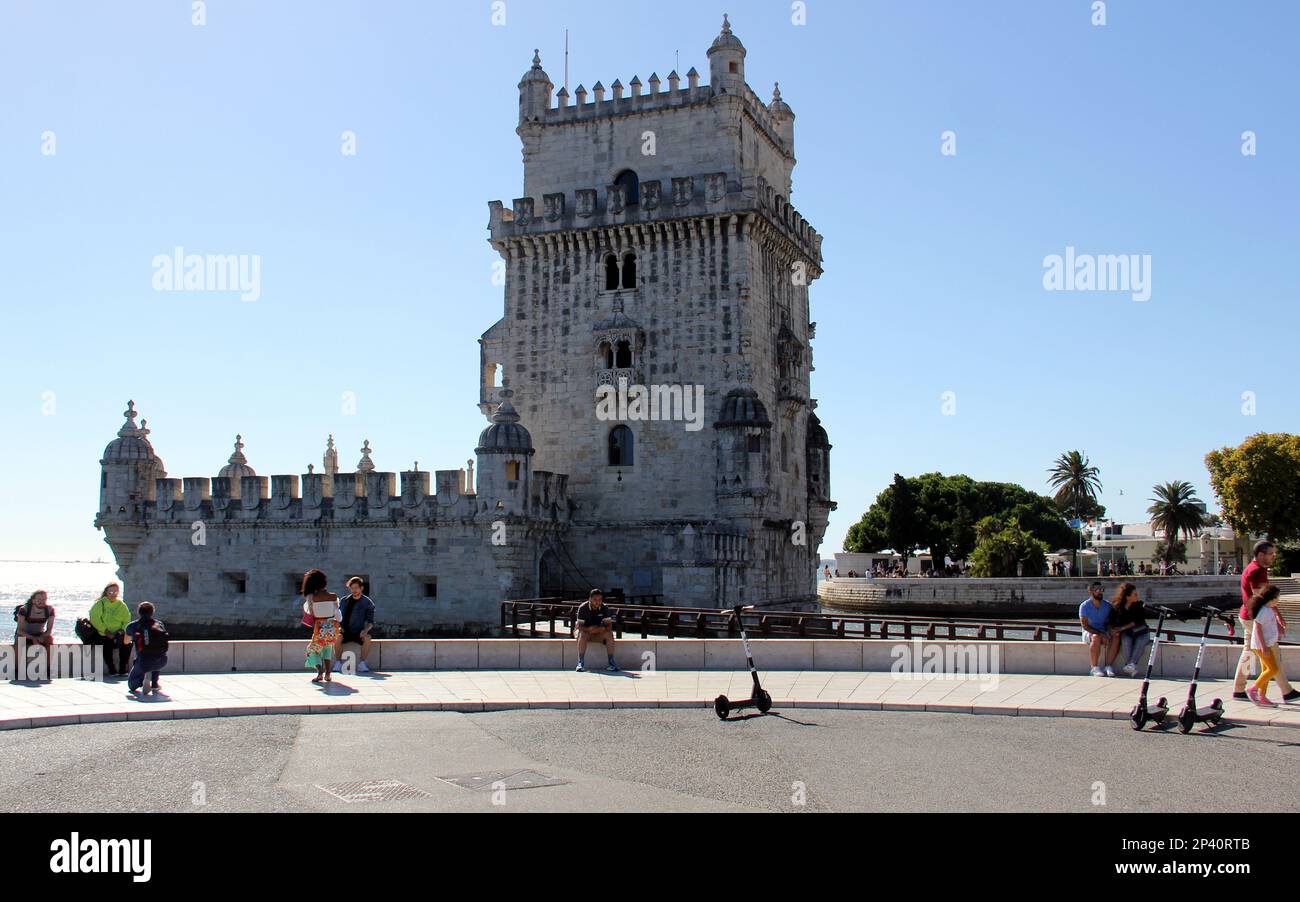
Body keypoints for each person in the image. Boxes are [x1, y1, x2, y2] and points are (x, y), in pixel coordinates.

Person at [1233, 541, 1296, 701]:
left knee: (1248, 653)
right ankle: (1285, 691)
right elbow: (1262, 598)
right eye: (1270, 553)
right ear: (1261, 555)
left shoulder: (1255, 569)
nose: (1274, 556)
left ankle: (1239, 689)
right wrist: (1277, 619)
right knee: (1272, 654)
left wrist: (1276, 616)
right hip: (1254, 618)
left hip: (1247, 615)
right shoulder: (1256, 571)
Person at [1246, 587, 1285, 707]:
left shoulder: (1268, 610)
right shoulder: (1264, 611)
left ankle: (1262, 697)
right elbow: (1257, 628)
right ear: (1272, 598)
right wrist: (1264, 646)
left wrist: (1279, 630)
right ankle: (1253, 689)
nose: (1278, 599)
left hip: (1266, 644)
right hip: (1261, 646)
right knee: (1273, 669)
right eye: (1277, 597)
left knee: (1266, 671)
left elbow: (1269, 626)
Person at [301, 570, 341, 684]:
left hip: (319, 627)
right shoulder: (333, 596)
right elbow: (338, 615)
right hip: (332, 627)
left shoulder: (311, 597)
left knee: (312, 650)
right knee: (328, 649)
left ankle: (320, 672)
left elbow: (310, 612)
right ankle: (328, 674)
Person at [124, 602, 169, 696]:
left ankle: (143, 679)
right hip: (162, 661)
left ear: (138, 612)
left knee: (131, 686)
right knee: (155, 654)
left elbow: (126, 642)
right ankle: (154, 684)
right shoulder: (159, 624)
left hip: (143, 661)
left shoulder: (133, 626)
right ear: (152, 612)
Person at [333, 577, 376, 674]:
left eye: (356, 588)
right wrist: (337, 627)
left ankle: (362, 663)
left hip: (359, 631)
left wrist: (365, 630)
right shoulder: (344, 600)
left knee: (368, 638)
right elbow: (337, 617)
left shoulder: (368, 603)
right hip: (344, 630)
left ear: (361, 588)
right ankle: (338, 663)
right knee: (337, 637)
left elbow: (371, 622)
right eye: (352, 588)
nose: (354, 590)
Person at [89, 582, 132, 678]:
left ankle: (122, 668)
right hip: (104, 633)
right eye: (111, 592)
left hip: (118, 633)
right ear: (106, 592)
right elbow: (94, 618)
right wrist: (106, 631)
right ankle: (111, 668)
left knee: (128, 643)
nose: (113, 594)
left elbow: (127, 619)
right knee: (106, 644)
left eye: (115, 592)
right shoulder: (100, 604)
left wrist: (121, 630)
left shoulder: (121, 605)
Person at [1108, 583, 1150, 677]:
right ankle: (1131, 666)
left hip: (1141, 631)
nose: (1137, 596)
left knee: (1140, 642)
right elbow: (1112, 621)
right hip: (1127, 633)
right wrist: (1113, 630)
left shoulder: (1139, 605)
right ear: (1127, 597)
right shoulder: (1117, 607)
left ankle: (1130, 664)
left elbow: (1137, 621)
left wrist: (1121, 628)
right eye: (1135, 594)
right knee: (1125, 641)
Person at [573, 588, 618, 673]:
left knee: (609, 634)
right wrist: (589, 629)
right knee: (582, 634)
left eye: (600, 600)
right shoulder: (583, 608)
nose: (597, 602)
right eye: (595, 600)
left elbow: (609, 625)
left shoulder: (604, 608)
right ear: (590, 599)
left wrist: (601, 629)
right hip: (585, 632)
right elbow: (579, 626)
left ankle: (612, 662)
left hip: (599, 631)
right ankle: (580, 663)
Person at [13, 589, 55, 677]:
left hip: (39, 634)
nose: (42, 602)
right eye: (39, 599)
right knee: (19, 640)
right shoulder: (24, 609)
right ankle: (16, 669)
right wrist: (33, 638)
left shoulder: (50, 610)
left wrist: (41, 637)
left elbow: (49, 630)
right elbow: (20, 630)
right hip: (25, 634)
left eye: (44, 599)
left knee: (49, 639)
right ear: (33, 600)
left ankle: (48, 668)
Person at [1079, 581, 1115, 677]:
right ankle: (1094, 668)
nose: (1100, 592)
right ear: (1090, 591)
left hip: (1104, 631)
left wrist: (1108, 632)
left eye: (1102, 590)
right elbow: (1085, 625)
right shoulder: (1084, 606)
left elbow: (1110, 622)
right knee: (1096, 637)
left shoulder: (1107, 606)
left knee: (1116, 637)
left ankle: (1108, 666)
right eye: (1097, 590)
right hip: (1089, 632)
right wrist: (1100, 633)